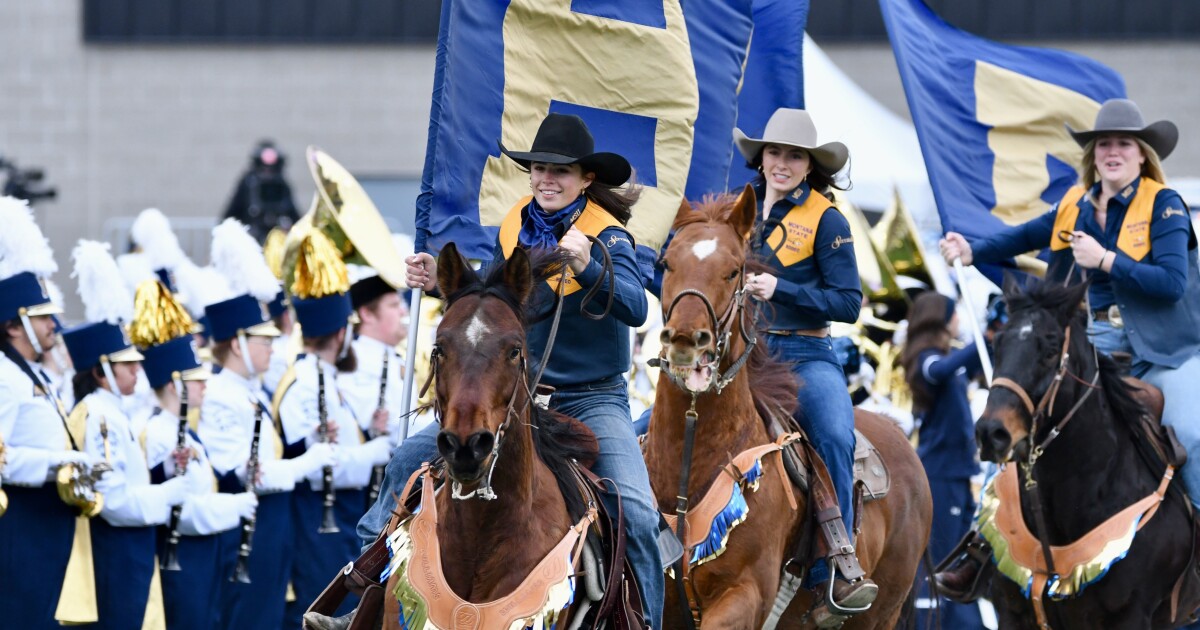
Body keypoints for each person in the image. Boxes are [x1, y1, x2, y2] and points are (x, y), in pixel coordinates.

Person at [359, 112, 664, 627]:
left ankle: (647, 619)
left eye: (561, 172)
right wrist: (443, 281)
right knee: (405, 461)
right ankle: (366, 595)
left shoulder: (608, 237)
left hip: (594, 399)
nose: (547, 179)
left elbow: (636, 307)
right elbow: (493, 298)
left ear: (587, 179)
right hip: (518, 398)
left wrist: (588, 265)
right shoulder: (513, 223)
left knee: (636, 510)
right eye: (540, 168)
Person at [937, 98, 1200, 593]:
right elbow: (1021, 236)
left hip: (1167, 351)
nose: (1113, 151)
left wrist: (1105, 260)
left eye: (1124, 143)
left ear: (1142, 155)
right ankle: (980, 547)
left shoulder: (1164, 205)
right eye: (1105, 144)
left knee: (1194, 431)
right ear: (1094, 155)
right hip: (1092, 341)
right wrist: (972, 249)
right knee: (1023, 421)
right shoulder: (1074, 203)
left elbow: (1170, 282)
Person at [733, 107, 875, 623]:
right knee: (648, 424)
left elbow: (848, 304)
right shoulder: (738, 210)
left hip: (806, 354)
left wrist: (783, 288)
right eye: (775, 152)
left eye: (795, 155)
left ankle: (835, 562)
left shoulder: (826, 218)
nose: (782, 163)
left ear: (810, 165)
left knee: (836, 435)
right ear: (762, 158)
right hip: (743, 353)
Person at [199, 219, 333, 630]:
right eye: (263, 340)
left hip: (272, 524)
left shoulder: (249, 390)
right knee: (249, 617)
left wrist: (312, 440)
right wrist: (313, 459)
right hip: (247, 527)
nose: (272, 346)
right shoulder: (220, 394)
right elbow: (250, 472)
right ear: (237, 344)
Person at [64, 239, 196, 630]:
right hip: (117, 549)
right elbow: (115, 502)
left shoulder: (109, 410)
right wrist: (168, 494)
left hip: (131, 545)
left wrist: (167, 468)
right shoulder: (99, 416)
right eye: (127, 364)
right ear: (102, 369)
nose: (137, 370)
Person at [277, 231, 392, 627]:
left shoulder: (326, 377)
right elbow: (327, 465)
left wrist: (372, 432)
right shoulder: (302, 383)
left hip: (345, 511)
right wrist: (379, 451)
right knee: (319, 609)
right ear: (341, 333)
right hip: (316, 517)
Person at [129, 279, 258, 630]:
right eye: (195, 380)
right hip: (185, 555)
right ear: (174, 385)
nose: (205, 385)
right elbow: (183, 512)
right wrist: (235, 507)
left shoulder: (184, 430)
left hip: (204, 553)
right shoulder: (158, 432)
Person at [0, 198, 92, 629]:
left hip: (51, 514)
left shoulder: (37, 370)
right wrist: (61, 462)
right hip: (21, 517)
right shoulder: (4, 374)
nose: (53, 324)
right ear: (14, 325)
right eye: (41, 317)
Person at [900, 292, 985, 629]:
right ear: (940, 318)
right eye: (955, 313)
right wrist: (983, 338)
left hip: (959, 474)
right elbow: (944, 369)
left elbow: (970, 364)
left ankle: (966, 622)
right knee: (943, 559)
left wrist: (996, 336)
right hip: (940, 476)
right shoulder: (925, 360)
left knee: (964, 559)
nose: (960, 319)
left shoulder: (947, 360)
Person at [223, 140, 301, 243]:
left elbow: (294, 214)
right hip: (251, 244)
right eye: (264, 169)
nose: (268, 174)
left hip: (278, 242)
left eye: (271, 169)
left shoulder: (282, 185)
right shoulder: (248, 184)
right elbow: (231, 214)